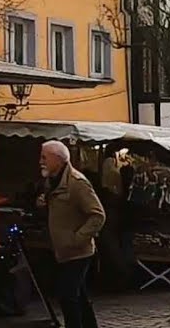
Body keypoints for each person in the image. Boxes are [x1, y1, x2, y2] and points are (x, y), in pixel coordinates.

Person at [39, 139, 106, 328]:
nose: (40, 161)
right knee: (78, 295)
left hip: (78, 251)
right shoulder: (51, 181)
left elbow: (98, 215)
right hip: (62, 251)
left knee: (67, 295)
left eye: (44, 157)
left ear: (58, 160)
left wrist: (76, 238)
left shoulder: (77, 183)